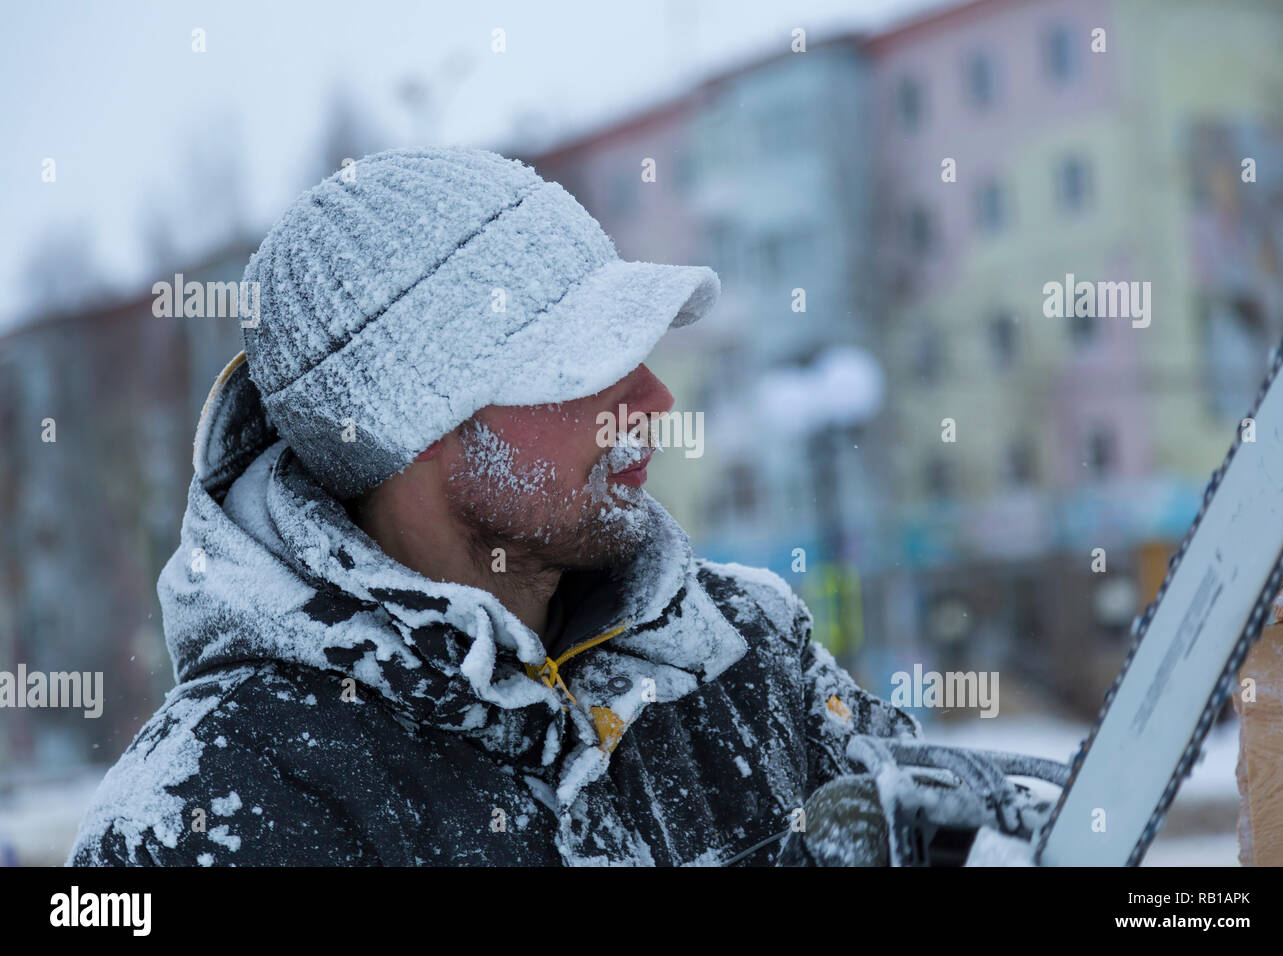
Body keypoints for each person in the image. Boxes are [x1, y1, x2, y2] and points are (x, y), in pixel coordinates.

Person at [67, 146, 918, 867]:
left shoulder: (742, 652)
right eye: (590, 364)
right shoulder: (207, 814)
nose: (655, 398)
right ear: (415, 420)